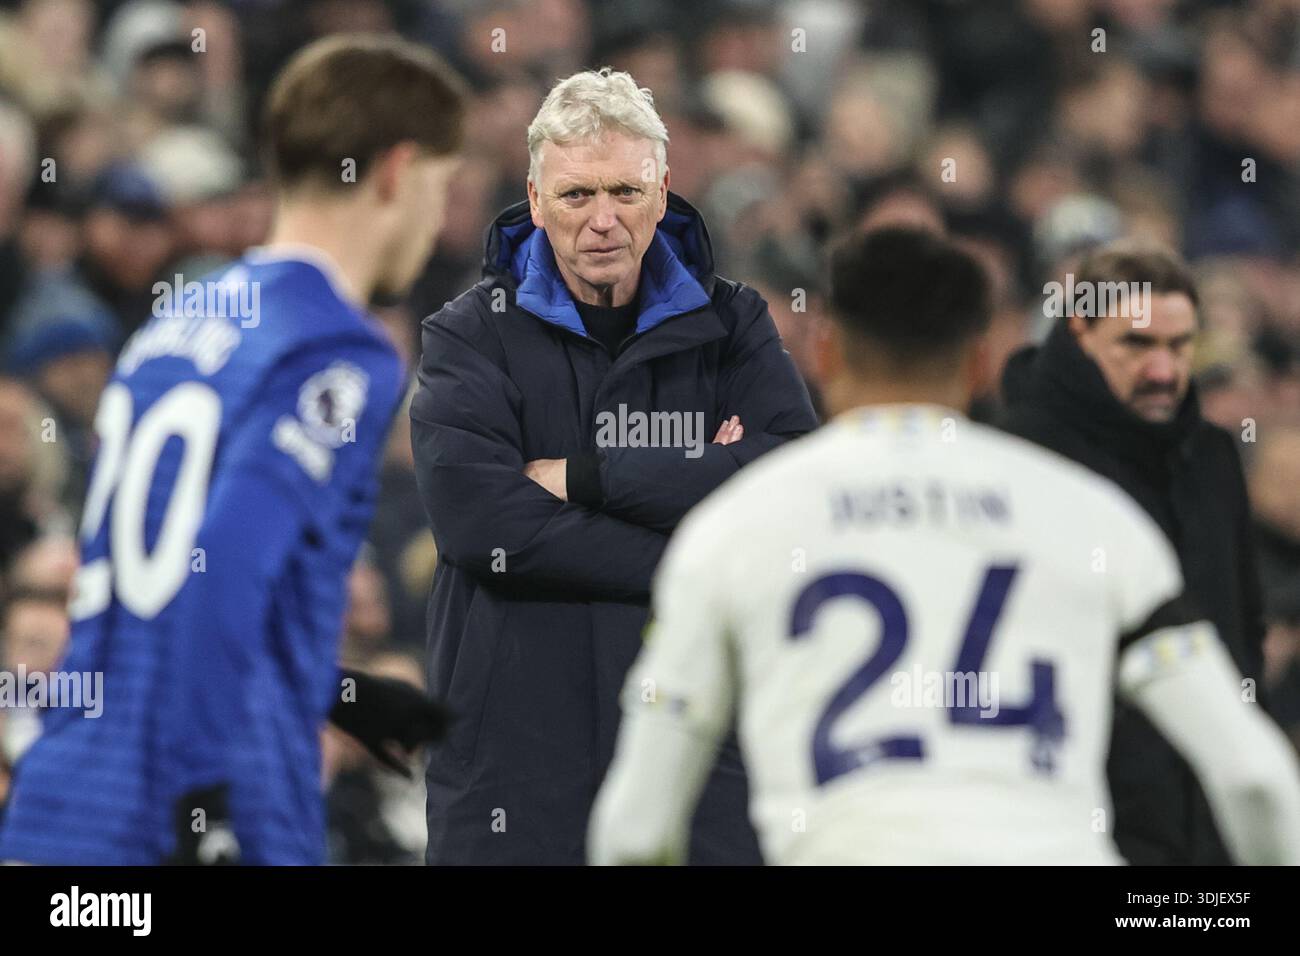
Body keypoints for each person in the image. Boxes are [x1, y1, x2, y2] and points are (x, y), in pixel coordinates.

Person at [588, 227, 1300, 866]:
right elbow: (1255, 778)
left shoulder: (737, 526)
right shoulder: (1092, 516)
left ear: (828, 349)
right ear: (982, 361)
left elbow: (635, 830)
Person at [0, 34, 468, 866]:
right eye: (440, 188)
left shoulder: (171, 324)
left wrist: (331, 691)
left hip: (66, 799)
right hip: (208, 806)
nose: (437, 222)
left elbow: (161, 590)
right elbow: (224, 562)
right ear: (396, 173)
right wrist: (204, 803)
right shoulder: (335, 346)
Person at [411, 67, 818, 864]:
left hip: (706, 763)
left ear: (663, 194)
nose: (603, 221)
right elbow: (486, 526)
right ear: (534, 202)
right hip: (513, 771)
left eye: (625, 194)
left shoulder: (732, 324)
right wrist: (697, 542)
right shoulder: (467, 336)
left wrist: (587, 478)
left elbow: (789, 488)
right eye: (575, 196)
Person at [999, 240, 1269, 864]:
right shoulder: (1018, 461)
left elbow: (1241, 634)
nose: (1164, 371)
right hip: (1073, 828)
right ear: (1080, 333)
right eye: (1137, 344)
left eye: (1180, 346)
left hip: (1209, 834)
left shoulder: (1212, 458)